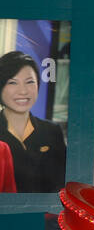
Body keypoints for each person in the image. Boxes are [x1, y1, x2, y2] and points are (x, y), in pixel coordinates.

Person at [0, 50, 67, 193]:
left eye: (30, 82)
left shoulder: (52, 131)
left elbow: (63, 183)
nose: (23, 91)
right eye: (13, 82)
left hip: (46, 214)